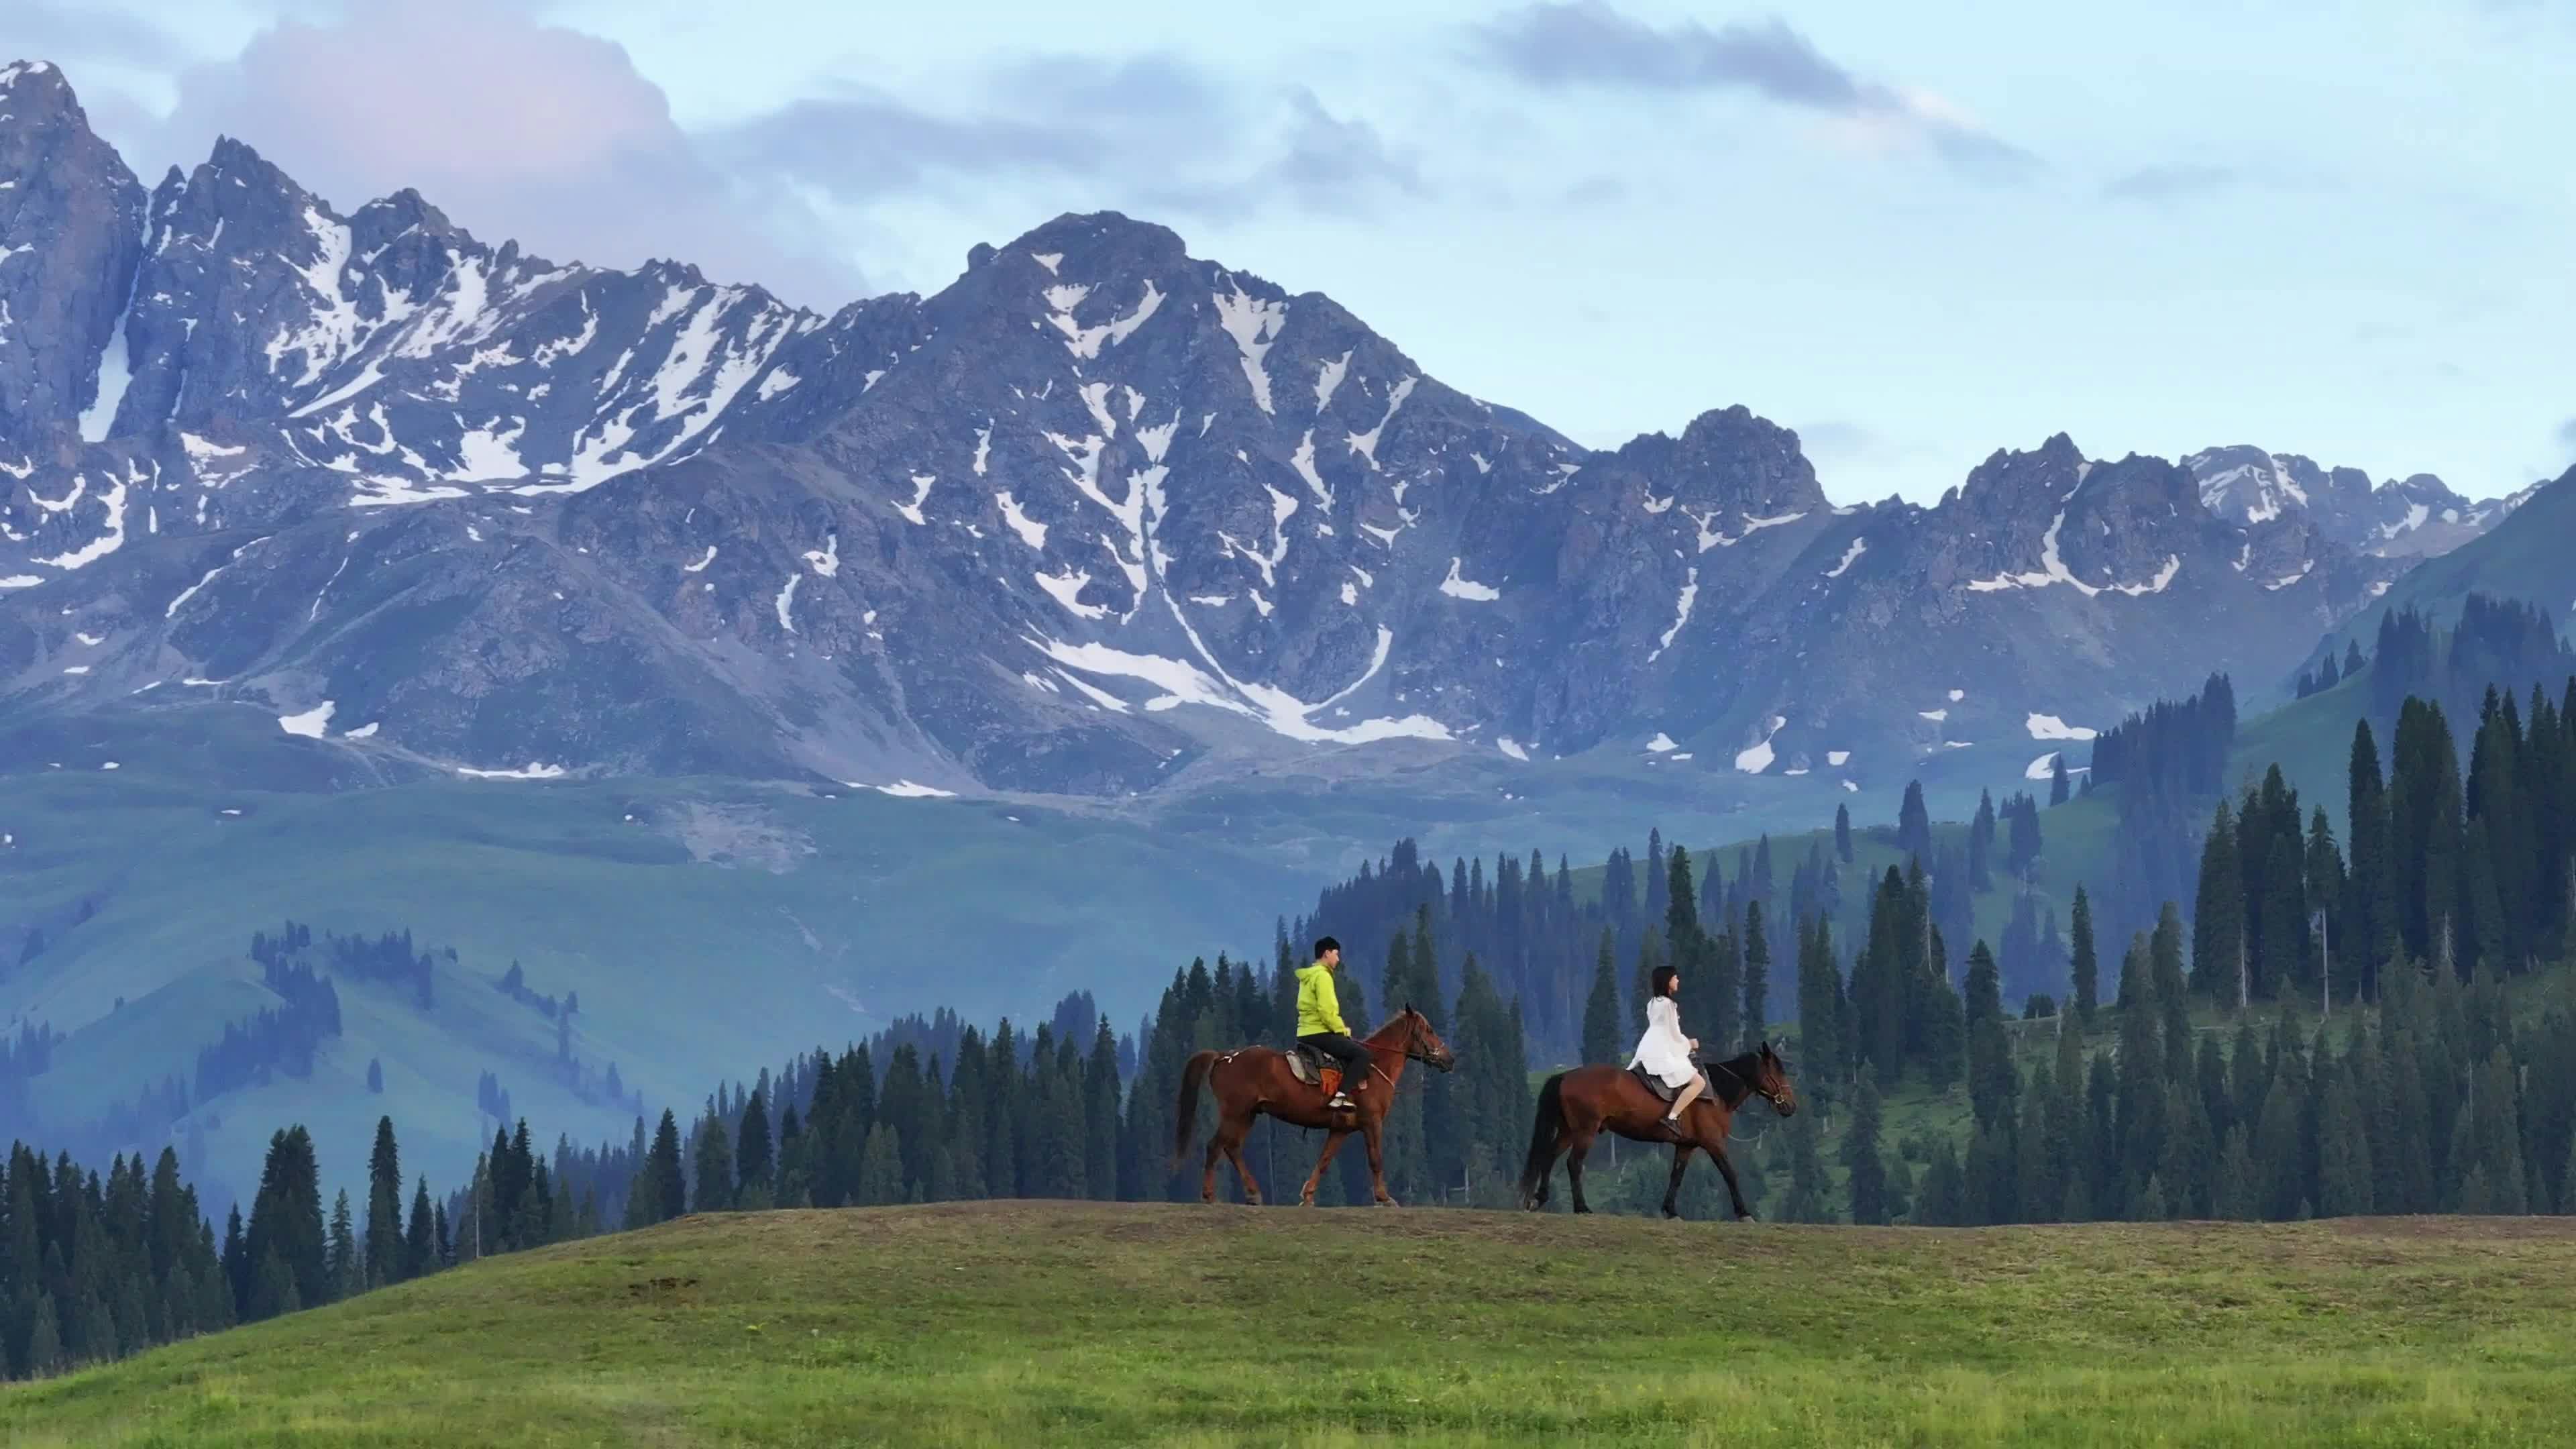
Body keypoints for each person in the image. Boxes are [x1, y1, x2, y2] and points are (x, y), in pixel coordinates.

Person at [1626, 965, 1705, 1138]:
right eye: (1675, 977)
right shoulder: (1669, 1005)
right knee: (1699, 1083)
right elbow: (1674, 1034)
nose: (1678, 980)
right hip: (1662, 1047)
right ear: (1667, 981)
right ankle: (1672, 1117)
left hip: (1648, 1044)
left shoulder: (1652, 1003)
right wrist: (1689, 1043)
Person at [1295, 936, 1369, 1110]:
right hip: (1320, 1032)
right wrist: (1342, 1030)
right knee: (1363, 1055)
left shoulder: (1307, 977)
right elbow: (1326, 1011)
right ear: (1327, 953)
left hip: (1304, 1032)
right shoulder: (1323, 976)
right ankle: (1341, 1095)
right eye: (1336, 954)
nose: (1338, 959)